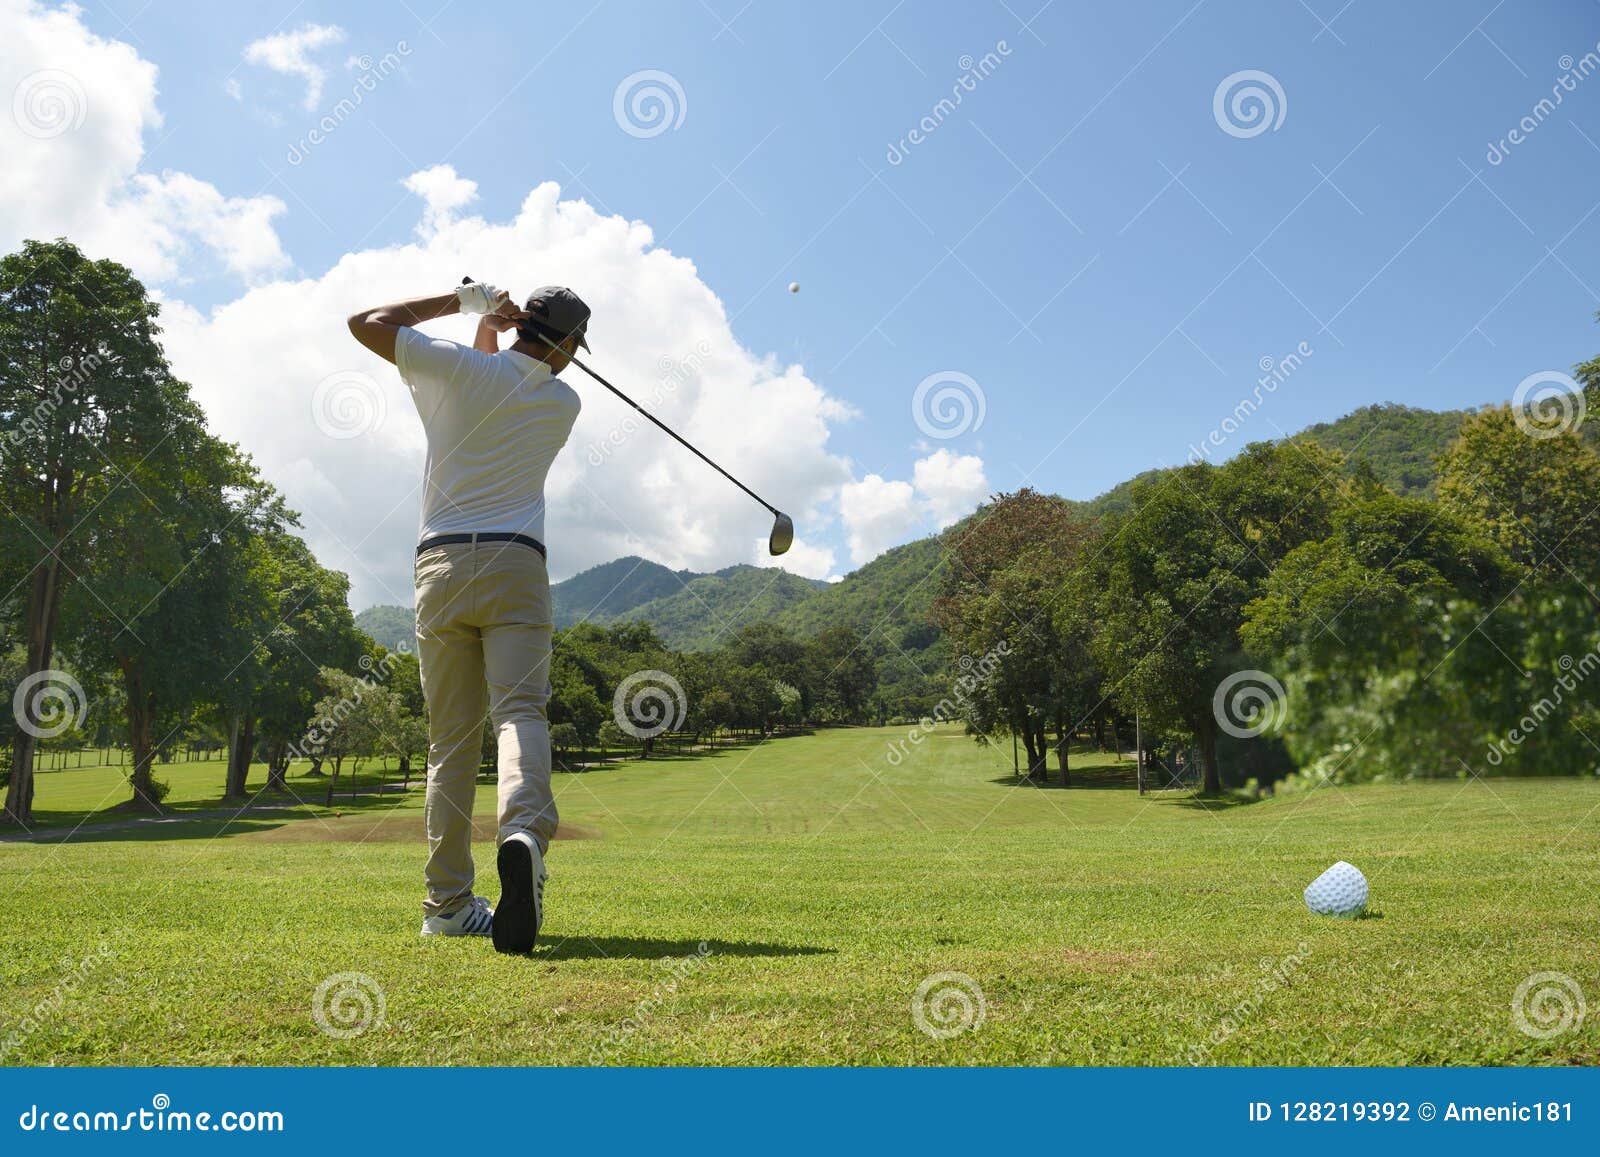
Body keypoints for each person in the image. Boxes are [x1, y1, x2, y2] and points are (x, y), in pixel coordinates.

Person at [347, 279, 591, 952]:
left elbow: (366, 320)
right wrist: (488, 323)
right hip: (516, 566)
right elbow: (500, 376)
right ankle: (523, 831)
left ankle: (447, 904)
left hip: (442, 567)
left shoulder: (457, 368)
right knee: (519, 712)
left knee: (450, 742)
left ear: (520, 326)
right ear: (566, 345)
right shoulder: (561, 401)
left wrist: (466, 304)